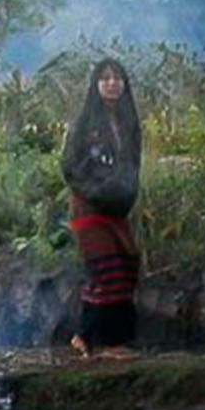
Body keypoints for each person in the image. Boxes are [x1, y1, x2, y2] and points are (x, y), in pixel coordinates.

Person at [64, 58, 144, 359]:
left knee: (127, 263)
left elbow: (134, 166)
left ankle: (85, 336)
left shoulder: (130, 124)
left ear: (124, 84)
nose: (112, 83)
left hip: (116, 206)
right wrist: (94, 192)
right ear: (96, 85)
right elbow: (70, 167)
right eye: (106, 78)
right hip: (89, 207)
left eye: (117, 78)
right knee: (106, 270)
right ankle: (108, 343)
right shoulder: (85, 124)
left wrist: (125, 196)